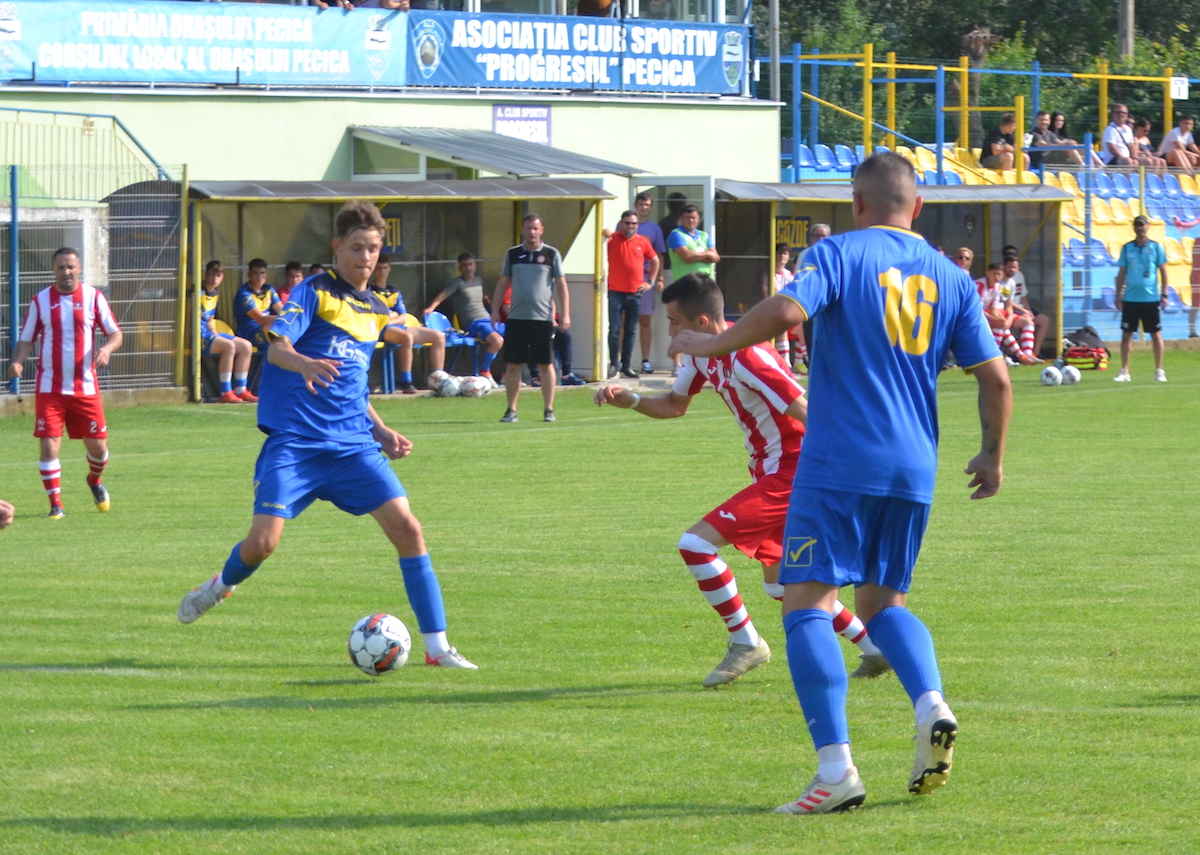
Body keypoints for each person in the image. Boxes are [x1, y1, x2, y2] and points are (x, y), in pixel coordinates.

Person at [670, 151, 1011, 814]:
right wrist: (991, 455)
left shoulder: (836, 253)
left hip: (838, 461)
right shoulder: (952, 276)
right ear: (917, 207)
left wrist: (713, 344)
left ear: (856, 204)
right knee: (885, 604)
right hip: (914, 466)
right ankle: (931, 701)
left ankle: (836, 771)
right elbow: (996, 379)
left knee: (804, 603)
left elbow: (789, 311)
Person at [176, 200, 476, 670]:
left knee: (408, 529)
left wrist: (381, 430)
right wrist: (304, 362)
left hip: (354, 445)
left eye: (374, 249)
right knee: (262, 545)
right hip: (297, 443)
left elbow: (353, 384)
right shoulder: (313, 294)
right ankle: (218, 587)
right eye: (357, 247)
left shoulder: (376, 308)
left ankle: (438, 649)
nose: (366, 257)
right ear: (338, 247)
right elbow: (276, 348)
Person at [594, 272, 889, 686]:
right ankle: (874, 649)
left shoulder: (749, 355)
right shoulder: (703, 355)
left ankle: (746, 642)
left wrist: (849, 463)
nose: (671, 331)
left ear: (701, 323)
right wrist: (634, 400)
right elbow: (676, 405)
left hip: (797, 473)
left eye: (675, 322)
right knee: (784, 585)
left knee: (695, 544)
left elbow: (806, 407)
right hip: (772, 473)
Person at [7, 247, 123, 519]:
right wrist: (17, 362)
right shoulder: (41, 301)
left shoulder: (94, 297)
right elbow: (26, 339)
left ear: (78, 268)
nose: (66, 272)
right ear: (54, 270)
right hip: (50, 388)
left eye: (70, 266)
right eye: (61, 267)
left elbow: (116, 334)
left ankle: (94, 480)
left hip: (86, 387)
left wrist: (106, 349)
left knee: (99, 448)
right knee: (49, 445)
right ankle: (55, 505)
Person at [492, 214, 570, 423]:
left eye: (535, 228)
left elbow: (561, 285)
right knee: (513, 365)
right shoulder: (514, 254)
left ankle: (548, 409)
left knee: (545, 365)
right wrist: (494, 311)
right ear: (523, 230)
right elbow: (502, 283)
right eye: (528, 228)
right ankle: (511, 410)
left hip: (542, 318)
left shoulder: (551, 254)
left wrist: (565, 314)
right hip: (517, 318)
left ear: (541, 229)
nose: (532, 232)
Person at [424, 252, 503, 387]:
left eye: (470, 264)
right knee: (497, 340)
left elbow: (484, 298)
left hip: (489, 320)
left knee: (516, 335)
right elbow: (442, 295)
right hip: (474, 324)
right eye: (464, 265)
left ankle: (509, 374)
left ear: (475, 265)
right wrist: (430, 308)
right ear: (460, 268)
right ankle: (485, 372)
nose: (468, 268)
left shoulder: (479, 281)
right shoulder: (456, 283)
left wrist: (494, 310)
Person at [371, 254, 445, 395]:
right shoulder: (369, 291)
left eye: (385, 268)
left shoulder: (394, 292)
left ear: (389, 269)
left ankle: (438, 380)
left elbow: (404, 317)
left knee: (438, 336)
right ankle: (407, 382)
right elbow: (375, 317)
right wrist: (390, 317)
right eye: (378, 268)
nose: (382, 271)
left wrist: (390, 317)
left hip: (397, 326)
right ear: (374, 270)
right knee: (407, 337)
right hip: (381, 330)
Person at [1114, 215, 1169, 382]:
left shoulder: (1156, 247)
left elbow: (1164, 272)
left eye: (1143, 225)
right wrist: (1119, 295)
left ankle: (1159, 370)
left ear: (1148, 227)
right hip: (1131, 298)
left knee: (1156, 335)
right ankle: (1125, 371)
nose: (1140, 228)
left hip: (1150, 299)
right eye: (1137, 225)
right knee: (1126, 336)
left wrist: (1164, 294)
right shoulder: (1127, 248)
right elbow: (1122, 273)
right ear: (1134, 227)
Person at [606, 210, 661, 378]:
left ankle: (626, 365)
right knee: (614, 330)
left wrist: (650, 282)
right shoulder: (612, 239)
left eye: (634, 223)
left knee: (631, 331)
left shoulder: (642, 241)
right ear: (621, 223)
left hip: (635, 293)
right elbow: (602, 236)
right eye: (627, 223)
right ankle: (614, 363)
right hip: (615, 291)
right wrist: (605, 233)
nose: (631, 226)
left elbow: (655, 260)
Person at [199, 260, 258, 404]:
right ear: (206, 274)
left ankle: (241, 390)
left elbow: (210, 319)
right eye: (212, 274)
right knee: (229, 346)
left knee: (246, 346)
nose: (215, 278)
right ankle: (225, 391)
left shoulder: (214, 293)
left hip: (208, 332)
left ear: (222, 277)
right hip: (198, 335)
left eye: (218, 275)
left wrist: (214, 333)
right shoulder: (198, 292)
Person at [634, 192, 667, 374]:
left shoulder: (654, 229)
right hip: (626, 280)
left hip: (647, 278)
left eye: (647, 204)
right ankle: (621, 362)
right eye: (641, 204)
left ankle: (645, 360)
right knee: (623, 321)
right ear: (635, 205)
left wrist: (659, 278)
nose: (644, 207)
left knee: (644, 319)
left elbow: (659, 255)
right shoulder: (625, 224)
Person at [978, 261, 1036, 364]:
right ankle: (997, 356)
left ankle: (1025, 354)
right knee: (1000, 326)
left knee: (1028, 322)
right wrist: (997, 320)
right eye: (994, 273)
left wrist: (1004, 320)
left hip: (994, 313)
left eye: (999, 274)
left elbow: (996, 307)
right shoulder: (980, 285)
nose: (996, 276)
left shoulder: (999, 287)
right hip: (976, 315)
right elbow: (977, 309)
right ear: (988, 273)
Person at [1001, 252, 1049, 359]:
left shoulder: (1017, 278)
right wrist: (1025, 312)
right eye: (1009, 267)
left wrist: (1028, 310)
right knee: (1026, 321)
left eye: (1014, 267)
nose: (1012, 269)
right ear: (1004, 266)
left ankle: (1033, 354)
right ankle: (1013, 355)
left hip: (1018, 308)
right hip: (1003, 311)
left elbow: (1023, 296)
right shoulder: (1001, 280)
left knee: (1043, 320)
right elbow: (1007, 302)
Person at [234, 259, 282, 352]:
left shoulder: (269, 289)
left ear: (266, 274)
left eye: (262, 273)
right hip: (249, 332)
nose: (259, 276)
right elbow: (260, 319)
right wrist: (284, 319)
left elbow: (282, 310)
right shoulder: (244, 293)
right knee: (275, 328)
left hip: (266, 327)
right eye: (255, 273)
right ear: (249, 274)